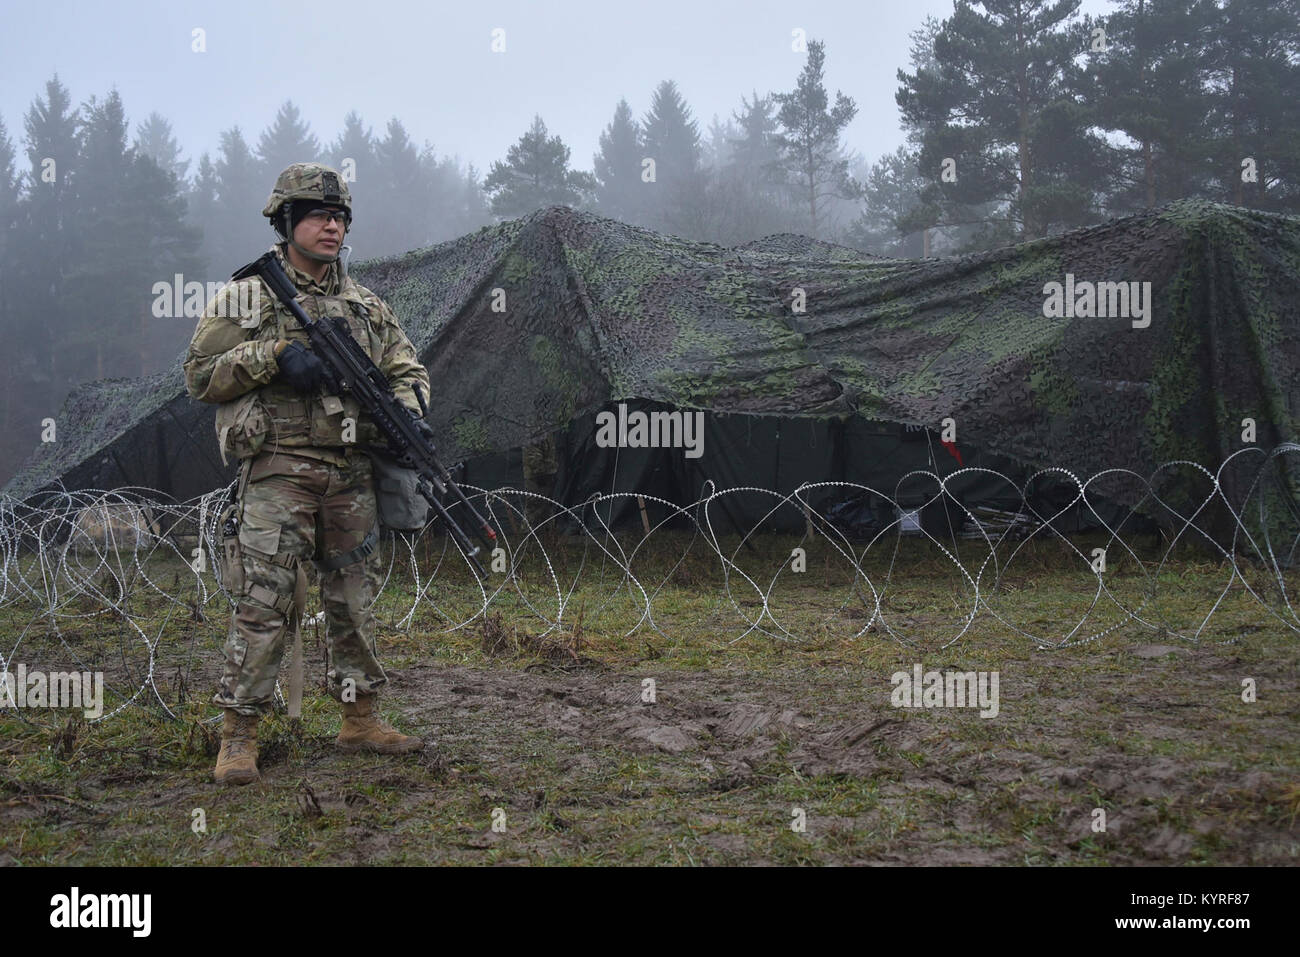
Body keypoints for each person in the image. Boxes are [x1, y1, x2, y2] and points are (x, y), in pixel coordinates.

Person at [184, 162, 431, 785]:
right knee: (263, 598)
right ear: (287, 222)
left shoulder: (367, 306)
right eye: (318, 215)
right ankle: (238, 732)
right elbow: (198, 375)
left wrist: (408, 411)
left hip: (350, 473)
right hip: (278, 469)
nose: (332, 226)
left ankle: (360, 718)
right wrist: (272, 356)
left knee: (354, 601)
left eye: (340, 216)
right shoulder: (248, 297)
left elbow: (407, 369)